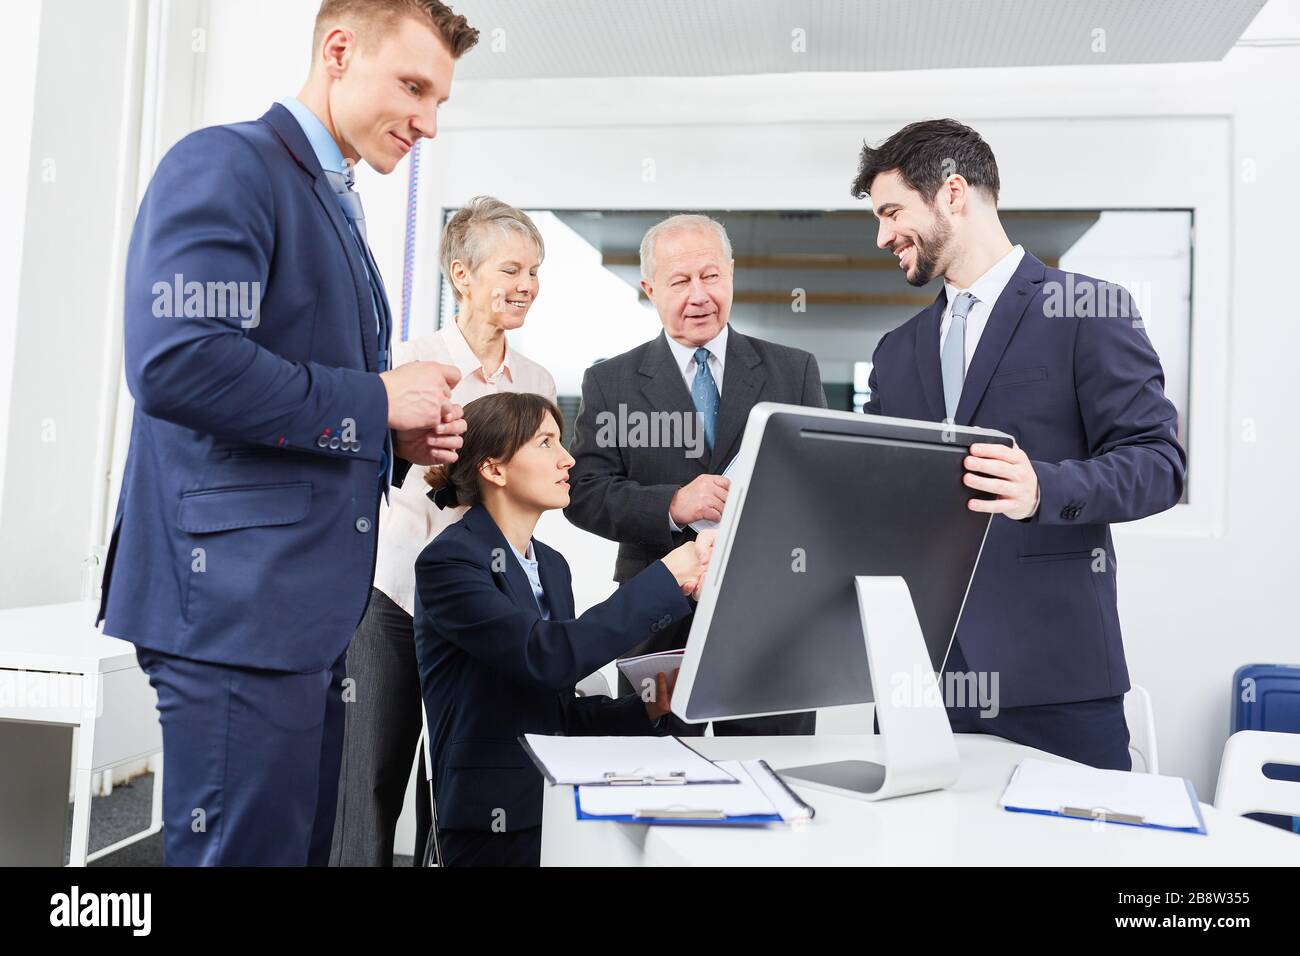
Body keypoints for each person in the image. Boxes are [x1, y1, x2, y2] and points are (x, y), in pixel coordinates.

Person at [97, 0, 479, 865]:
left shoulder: (331, 196)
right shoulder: (227, 164)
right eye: (412, 87)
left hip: (301, 616)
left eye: (440, 101)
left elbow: (292, 391)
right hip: (236, 609)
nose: (425, 120)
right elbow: (179, 363)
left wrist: (393, 437)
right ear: (338, 51)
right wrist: (379, 401)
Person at [854, 118, 1187, 770]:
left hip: (1053, 679)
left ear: (952, 194)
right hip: (918, 680)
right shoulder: (895, 354)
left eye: (892, 212)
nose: (882, 235)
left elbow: (1159, 465)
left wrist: (1044, 487)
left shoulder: (1088, 310)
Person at [331, 197, 556, 866]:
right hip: (394, 600)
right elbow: (365, 474)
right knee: (369, 779)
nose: (526, 286)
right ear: (461, 275)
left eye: (535, 271)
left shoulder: (537, 382)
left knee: (461, 779)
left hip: (487, 606)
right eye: (511, 269)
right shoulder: (407, 364)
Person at [413, 392, 713, 866]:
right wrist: (665, 578)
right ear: (494, 469)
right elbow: (547, 657)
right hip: (491, 819)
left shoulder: (551, 566)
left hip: (558, 803)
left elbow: (559, 716)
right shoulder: (449, 562)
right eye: (546, 442)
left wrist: (657, 700)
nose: (567, 457)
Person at [564, 213, 824, 735]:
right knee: (654, 777)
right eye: (680, 281)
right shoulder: (611, 381)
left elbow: (819, 490)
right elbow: (584, 493)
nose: (699, 294)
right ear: (650, 288)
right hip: (656, 613)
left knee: (774, 772)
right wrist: (672, 505)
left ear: (731, 272)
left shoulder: (793, 370)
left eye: (711, 276)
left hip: (770, 614)